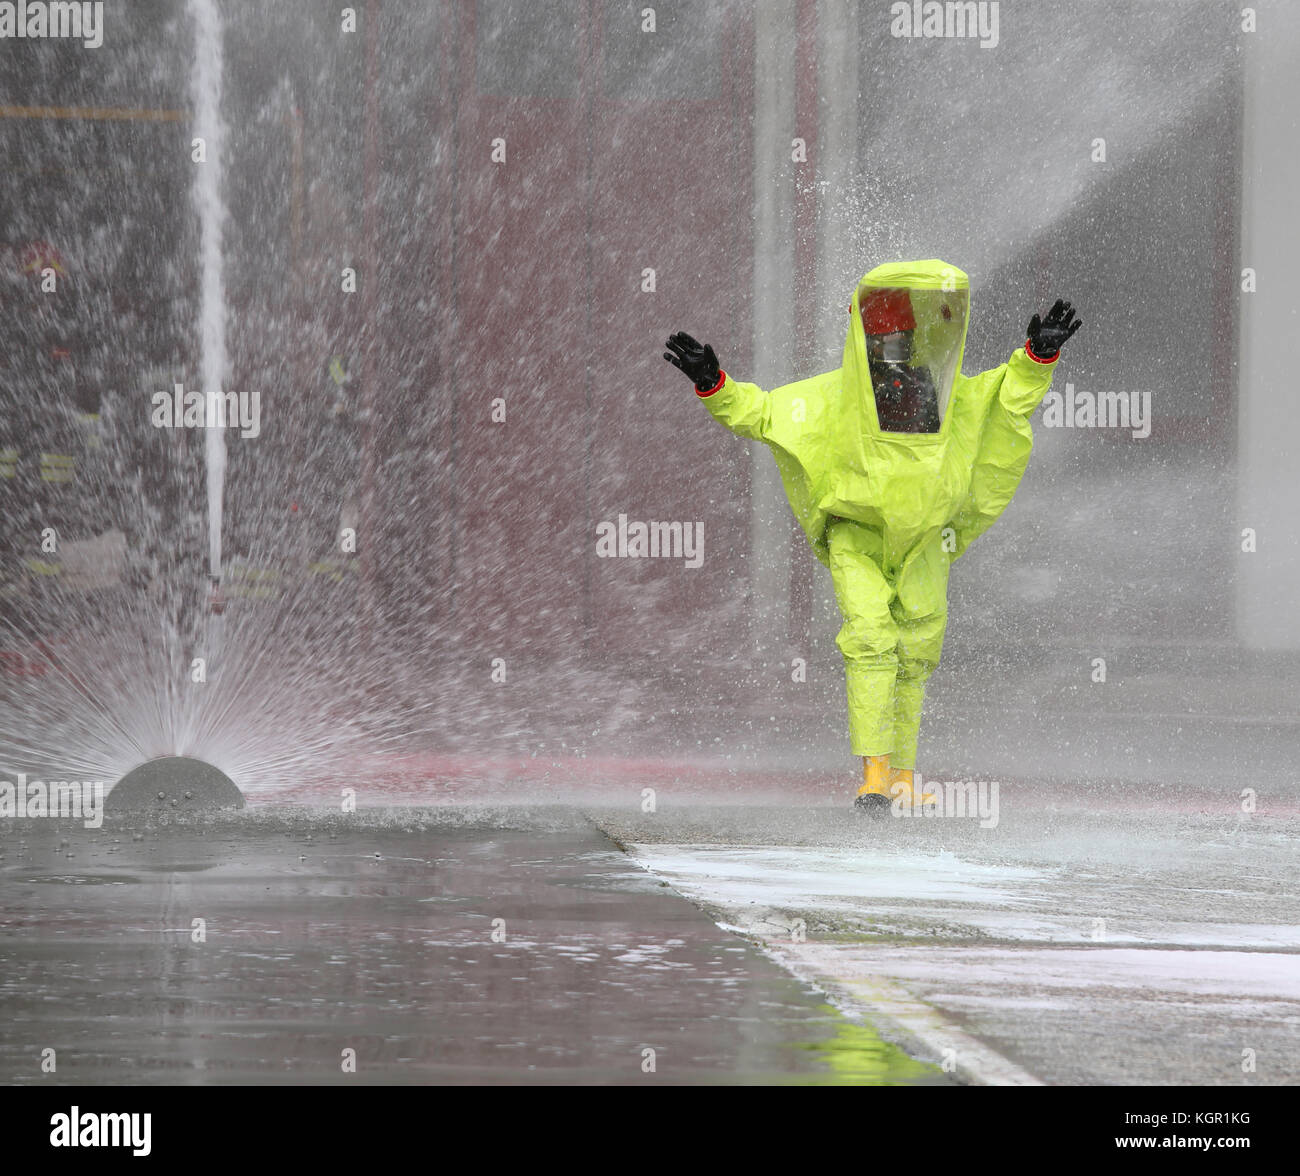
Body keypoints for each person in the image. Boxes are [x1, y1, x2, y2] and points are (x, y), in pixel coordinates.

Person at [664, 260, 1081, 812]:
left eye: (901, 336)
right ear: (864, 338)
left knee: (917, 650)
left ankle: (903, 779)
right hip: (857, 534)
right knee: (870, 640)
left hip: (924, 539)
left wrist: (1036, 357)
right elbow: (762, 413)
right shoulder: (836, 398)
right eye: (883, 337)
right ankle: (874, 776)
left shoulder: (941, 392)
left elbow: (1003, 399)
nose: (894, 347)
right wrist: (713, 383)